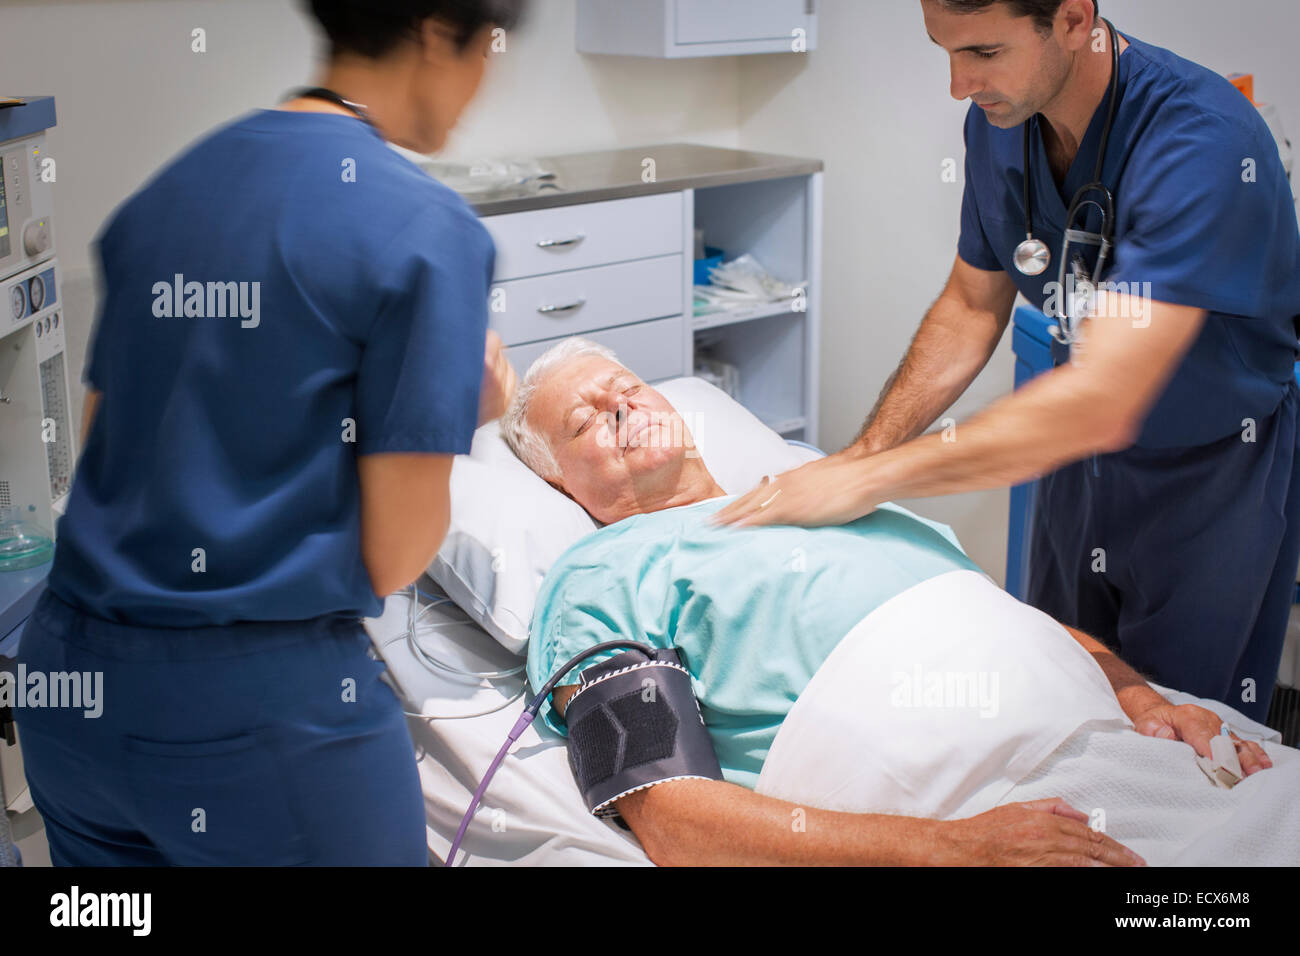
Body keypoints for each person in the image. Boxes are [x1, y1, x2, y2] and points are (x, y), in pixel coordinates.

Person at [14, 0, 525, 865]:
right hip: (255, 714)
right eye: (488, 54)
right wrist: (454, 413)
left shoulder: (171, 190)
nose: (484, 85)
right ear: (441, 35)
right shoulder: (427, 231)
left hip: (68, 687)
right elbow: (394, 556)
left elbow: (105, 451)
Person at [713, 0, 1300, 726]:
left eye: (984, 53)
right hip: (1073, 474)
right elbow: (971, 304)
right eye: (945, 53)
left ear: (1074, 20)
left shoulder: (1201, 139)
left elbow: (1104, 400)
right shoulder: (1003, 124)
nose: (960, 85)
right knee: (1060, 694)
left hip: (1208, 479)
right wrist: (860, 454)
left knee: (1190, 734)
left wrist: (870, 479)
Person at [498, 337, 1278, 866]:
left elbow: (1013, 620)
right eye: (585, 420)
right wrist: (959, 847)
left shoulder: (832, 495)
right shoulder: (602, 579)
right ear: (557, 483)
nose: (622, 408)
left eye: (628, 389)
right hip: (985, 812)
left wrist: (1141, 696)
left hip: (1130, 753)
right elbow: (673, 819)